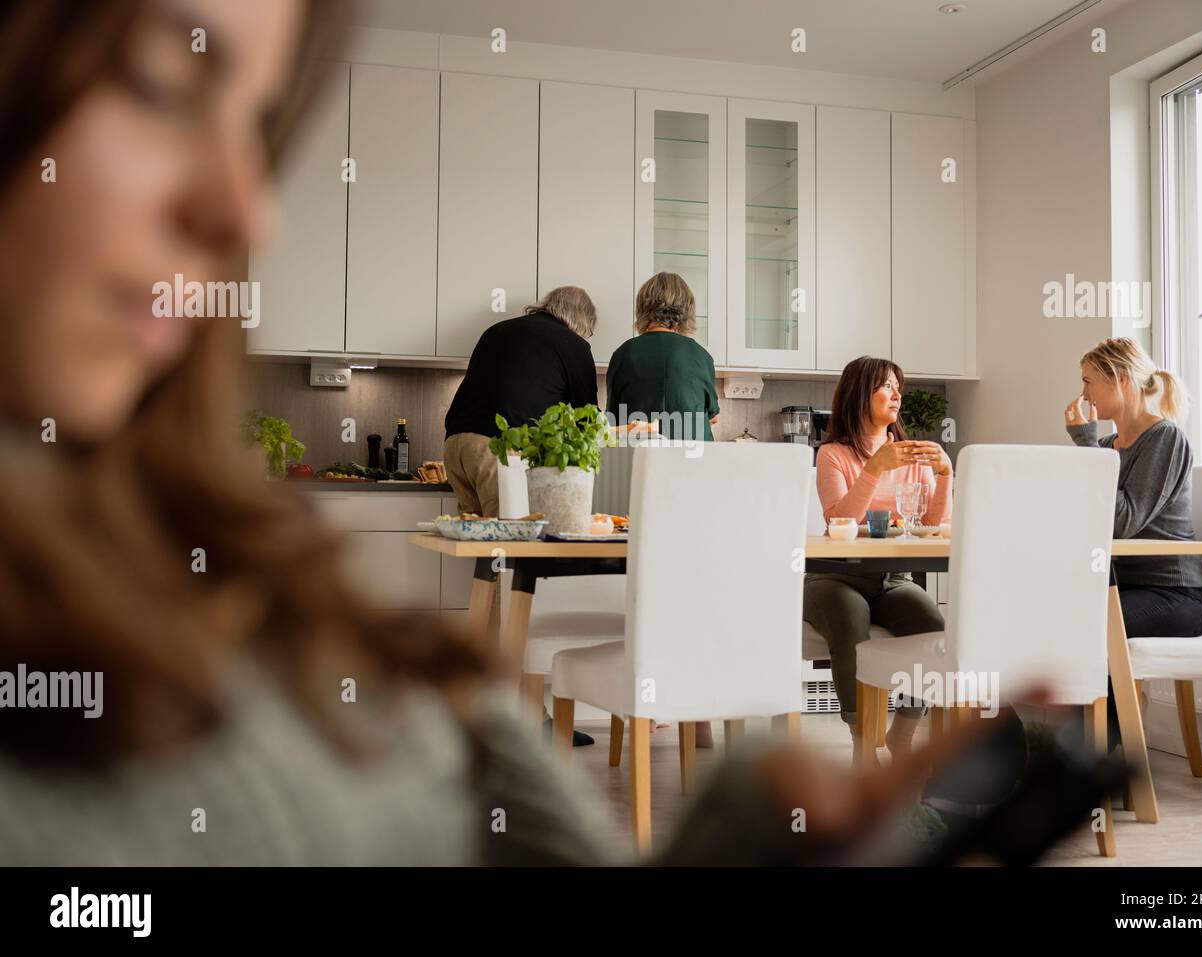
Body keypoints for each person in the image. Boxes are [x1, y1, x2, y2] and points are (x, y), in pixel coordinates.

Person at [0, 0, 1011, 867]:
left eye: (260, 127)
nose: (248, 212)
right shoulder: (597, 359)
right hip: (555, 485)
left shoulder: (248, 580)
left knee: (503, 556)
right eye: (159, 86)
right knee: (514, 550)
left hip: (481, 455)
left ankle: (511, 602)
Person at [1065, 338, 1202, 739]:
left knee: (1091, 628)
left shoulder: (1165, 438)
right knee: (1058, 619)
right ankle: (1073, 761)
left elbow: (1121, 521)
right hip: (1122, 589)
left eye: (1089, 382)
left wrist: (1084, 445)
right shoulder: (1105, 446)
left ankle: (1090, 766)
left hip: (1176, 595)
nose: (1083, 395)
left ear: (1122, 380)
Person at [804, 357, 952, 754]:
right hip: (832, 578)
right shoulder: (833, 454)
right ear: (859, 394)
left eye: (897, 386)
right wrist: (874, 468)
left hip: (893, 579)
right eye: (886, 386)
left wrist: (944, 475)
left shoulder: (912, 455)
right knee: (851, 618)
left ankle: (903, 732)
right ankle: (864, 742)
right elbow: (840, 520)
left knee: (932, 626)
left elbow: (934, 525)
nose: (897, 394)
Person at [443, 287, 599, 518]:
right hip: (496, 450)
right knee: (510, 540)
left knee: (480, 539)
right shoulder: (574, 345)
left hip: (455, 446)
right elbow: (588, 417)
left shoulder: (496, 330)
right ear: (583, 321)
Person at [606, 272, 719, 443]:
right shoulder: (701, 356)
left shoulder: (623, 353)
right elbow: (713, 415)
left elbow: (613, 419)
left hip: (641, 459)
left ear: (643, 308)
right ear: (687, 310)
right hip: (695, 461)